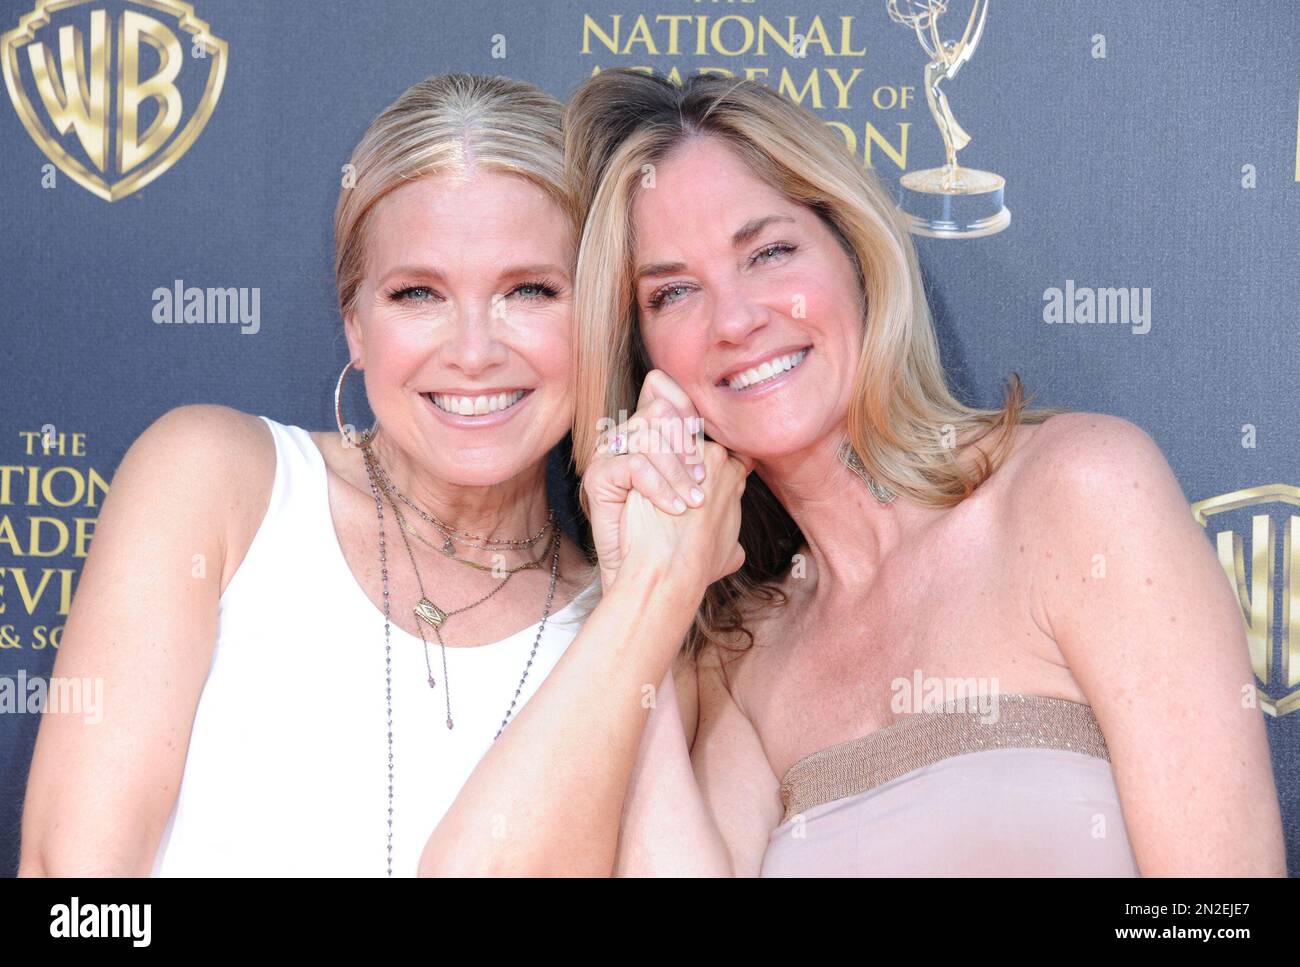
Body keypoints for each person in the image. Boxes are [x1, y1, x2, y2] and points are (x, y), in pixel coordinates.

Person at [18, 73, 747, 877]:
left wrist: (645, 592)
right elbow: (72, 892)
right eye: (418, 293)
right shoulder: (215, 482)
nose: (474, 349)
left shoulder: (636, 628)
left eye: (529, 290)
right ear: (354, 324)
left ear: (601, 317)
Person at [566, 69, 1288, 876]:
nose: (735, 319)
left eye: (769, 252)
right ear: (648, 366)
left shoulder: (1080, 494)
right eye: (673, 293)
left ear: (856, 255)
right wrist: (643, 591)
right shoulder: (743, 663)